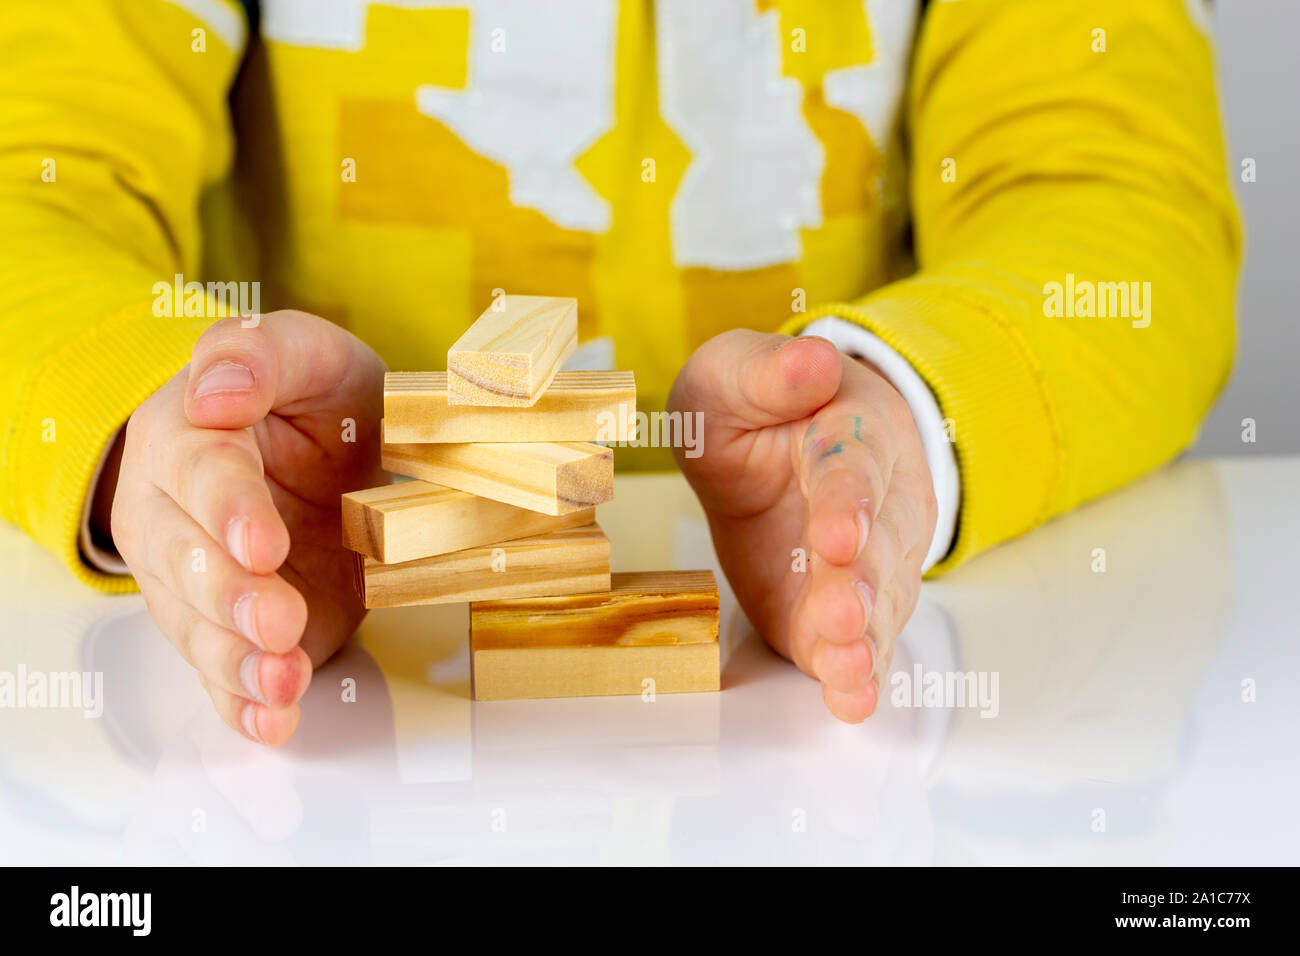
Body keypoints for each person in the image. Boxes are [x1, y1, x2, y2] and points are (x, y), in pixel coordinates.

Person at [0, 0, 1239, 744]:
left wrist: (892, 411)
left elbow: (1113, 195)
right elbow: (32, 174)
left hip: (825, 737)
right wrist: (160, 438)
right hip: (347, 693)